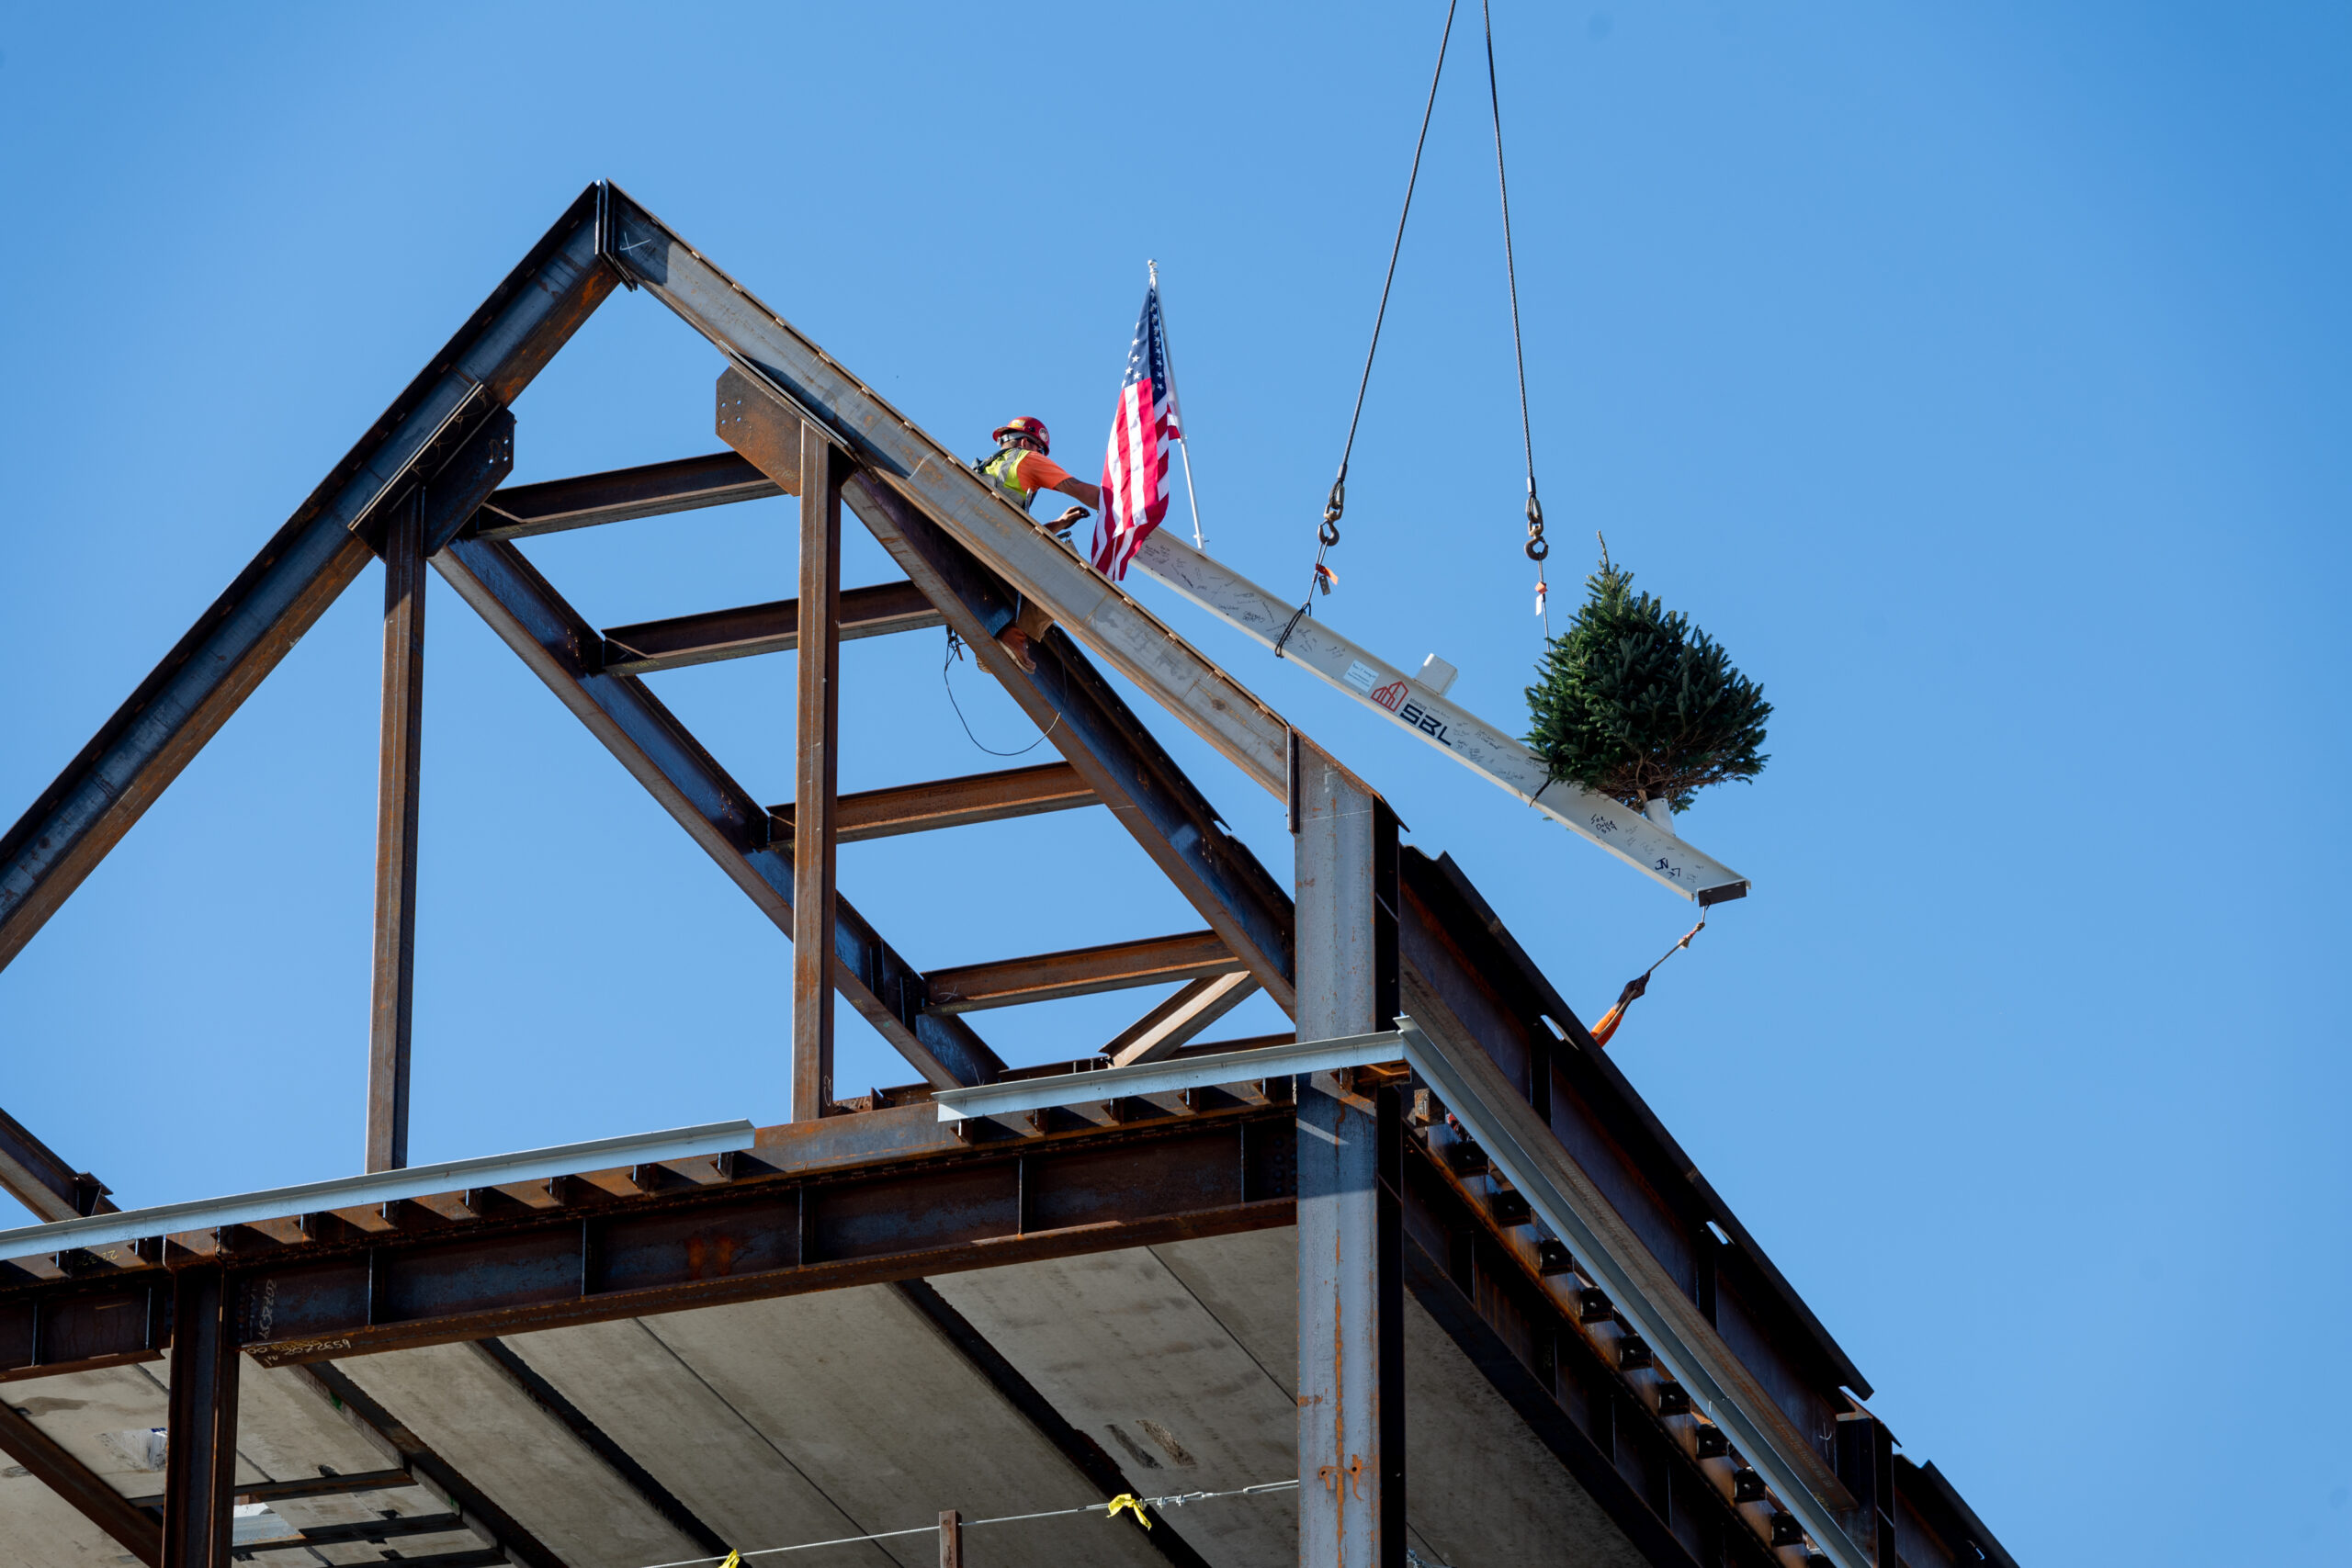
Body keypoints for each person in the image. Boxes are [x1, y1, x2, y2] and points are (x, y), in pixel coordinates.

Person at [974, 417, 1099, 670]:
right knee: (1072, 573)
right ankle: (1015, 637)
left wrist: (1059, 524)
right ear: (1025, 442)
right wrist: (1127, 505)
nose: (1042, 457)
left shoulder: (985, 468)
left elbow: (1015, 529)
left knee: (1050, 548)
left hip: (978, 544)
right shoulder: (1027, 459)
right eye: (1040, 450)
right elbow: (1085, 492)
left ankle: (995, 630)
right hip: (998, 549)